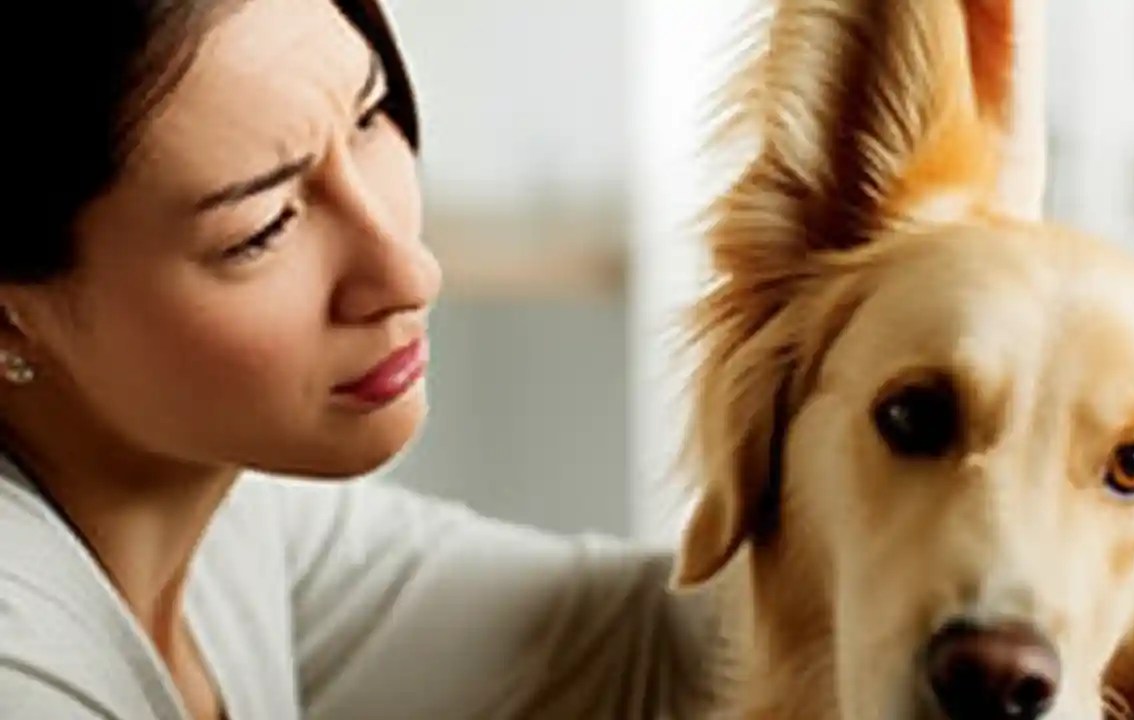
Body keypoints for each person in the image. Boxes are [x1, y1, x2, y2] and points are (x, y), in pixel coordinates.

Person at [0, 1, 722, 718]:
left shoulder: (220, 524)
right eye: (263, 229)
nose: (411, 275)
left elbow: (655, 653)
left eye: (369, 117)